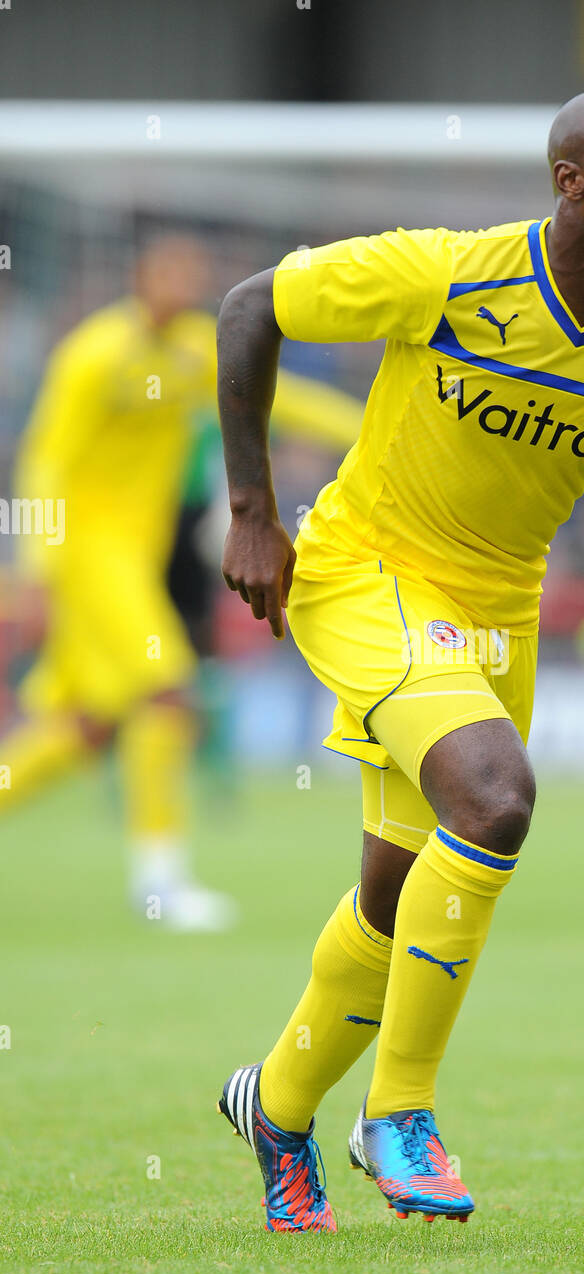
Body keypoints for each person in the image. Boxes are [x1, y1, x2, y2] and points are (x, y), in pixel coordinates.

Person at [215, 88, 584, 1231]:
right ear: (572, 183)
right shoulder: (447, 273)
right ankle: (401, 1113)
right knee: (496, 798)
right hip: (364, 572)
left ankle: (274, 1106)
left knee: (393, 904)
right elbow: (248, 307)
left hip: (497, 615)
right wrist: (251, 512)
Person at [0, 234, 362, 930]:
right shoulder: (95, 354)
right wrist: (38, 564)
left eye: (192, 271)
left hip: (135, 559)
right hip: (85, 555)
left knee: (85, 727)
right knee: (168, 695)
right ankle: (160, 883)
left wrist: (373, 426)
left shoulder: (197, 347)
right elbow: (45, 460)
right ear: (139, 279)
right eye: (169, 270)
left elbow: (283, 399)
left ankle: (159, 876)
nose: (182, 282)